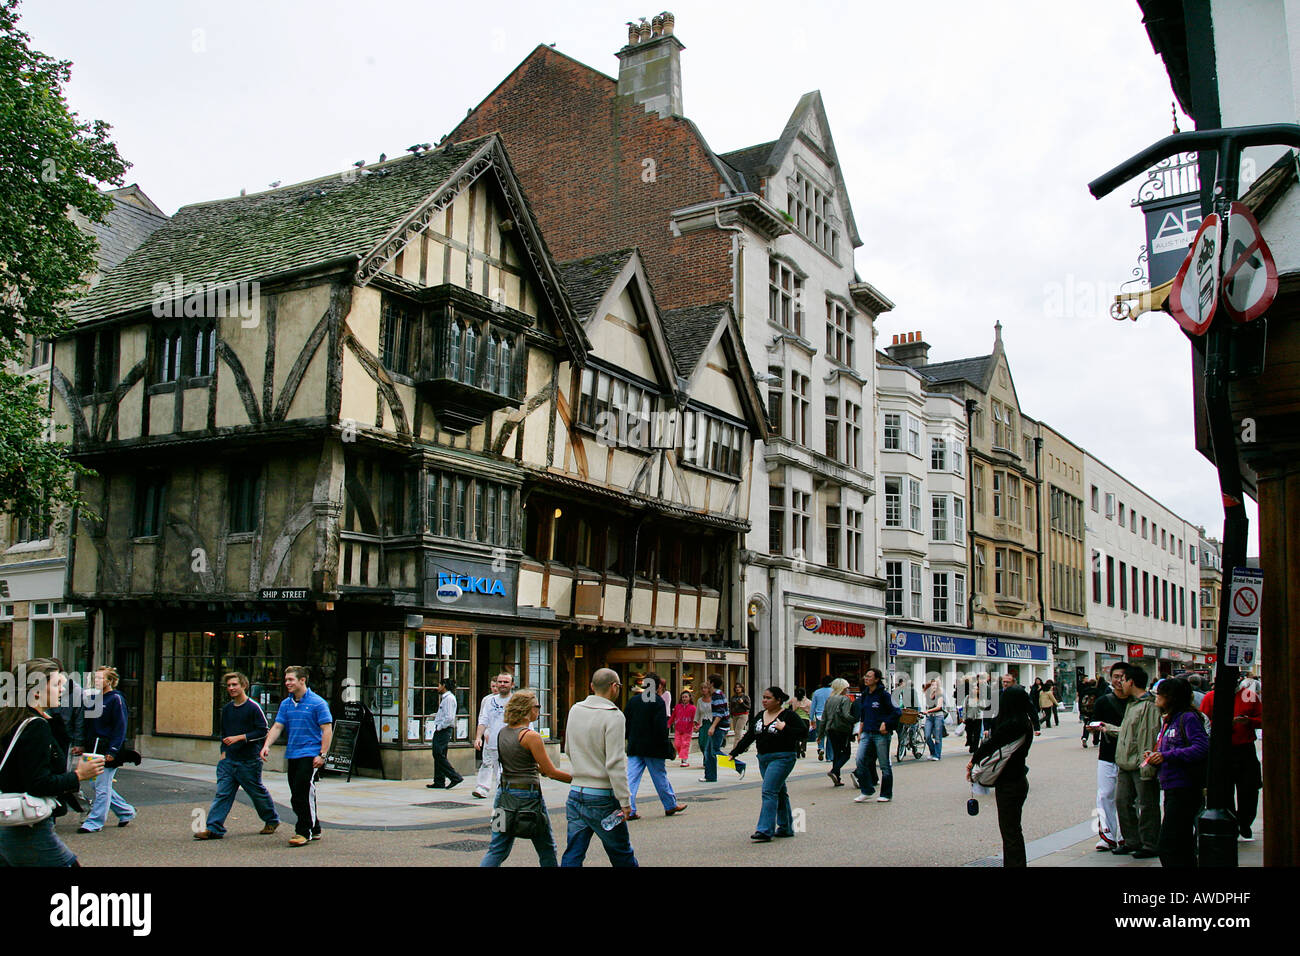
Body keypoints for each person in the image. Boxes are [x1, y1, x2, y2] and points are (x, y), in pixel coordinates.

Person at [0, 658, 105, 866]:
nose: (63, 688)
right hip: (29, 826)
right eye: (57, 684)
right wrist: (79, 775)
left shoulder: (10, 718)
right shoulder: (35, 726)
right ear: (37, 691)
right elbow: (39, 783)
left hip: (7, 823)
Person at [480, 689, 570, 867]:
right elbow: (550, 771)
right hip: (527, 797)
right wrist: (577, 779)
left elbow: (515, 761)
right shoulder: (531, 736)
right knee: (546, 846)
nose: (539, 709)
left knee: (497, 848)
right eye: (537, 706)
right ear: (527, 709)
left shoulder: (502, 733)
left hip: (502, 797)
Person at [561, 668, 637, 867]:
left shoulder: (575, 710)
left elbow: (568, 748)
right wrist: (625, 800)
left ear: (592, 687)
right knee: (621, 853)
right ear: (614, 687)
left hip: (576, 791)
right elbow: (616, 762)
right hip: (603, 795)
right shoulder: (614, 716)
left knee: (574, 852)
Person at [194, 671, 279, 840]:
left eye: (235, 685)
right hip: (229, 761)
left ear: (244, 686)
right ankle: (214, 828)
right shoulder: (227, 709)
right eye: (229, 685)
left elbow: (263, 731)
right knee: (223, 794)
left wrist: (241, 738)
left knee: (256, 792)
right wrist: (223, 754)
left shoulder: (253, 707)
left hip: (249, 761)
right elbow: (224, 734)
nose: (231, 688)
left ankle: (271, 819)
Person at [260, 665, 333, 847]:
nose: (287, 683)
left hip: (310, 754)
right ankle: (315, 828)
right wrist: (267, 745)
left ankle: (303, 831)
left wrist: (322, 755)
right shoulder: (286, 704)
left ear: (302, 680)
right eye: (286, 680)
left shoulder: (318, 703)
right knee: (298, 793)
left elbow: (327, 729)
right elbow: (278, 726)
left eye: (291, 679)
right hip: (293, 753)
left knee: (301, 793)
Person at [967, 684, 1036, 867]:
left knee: (1010, 831)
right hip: (1019, 779)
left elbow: (990, 745)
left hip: (1009, 783)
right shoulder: (1024, 722)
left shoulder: (1011, 724)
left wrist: (973, 761)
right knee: (1013, 830)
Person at [1146, 676, 1209, 868]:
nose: (1156, 698)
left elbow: (1201, 747)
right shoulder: (1169, 720)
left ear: (1170, 697)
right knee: (1181, 843)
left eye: (1160, 694)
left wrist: (1167, 756)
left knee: (1169, 845)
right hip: (1172, 786)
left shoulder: (1188, 718)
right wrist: (1156, 756)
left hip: (1186, 787)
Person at [728, 687, 805, 841]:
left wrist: (785, 728)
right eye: (763, 697)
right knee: (779, 791)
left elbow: (803, 733)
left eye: (768, 698)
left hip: (783, 758)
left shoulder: (788, 716)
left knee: (769, 791)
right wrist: (734, 752)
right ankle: (785, 827)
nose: (764, 700)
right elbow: (749, 736)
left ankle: (764, 830)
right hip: (764, 759)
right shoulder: (759, 716)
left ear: (778, 700)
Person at [1199, 676, 1263, 841]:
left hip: (1245, 749)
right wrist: (1223, 724)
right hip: (1222, 749)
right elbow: (1203, 722)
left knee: (1249, 789)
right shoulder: (1210, 697)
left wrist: (1249, 721)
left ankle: (1245, 823)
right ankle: (1231, 823)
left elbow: (1262, 719)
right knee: (1224, 790)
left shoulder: (1248, 695)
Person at [79, 665, 136, 834]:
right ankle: (126, 811)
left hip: (106, 748)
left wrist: (112, 750)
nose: (96, 681)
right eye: (95, 678)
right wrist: (82, 744)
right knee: (97, 784)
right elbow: (88, 724)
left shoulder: (116, 699)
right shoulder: (94, 699)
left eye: (100, 678)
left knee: (102, 786)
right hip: (92, 747)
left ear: (110, 681)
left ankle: (95, 822)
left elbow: (121, 726)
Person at [1111, 664, 1161, 858]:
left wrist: (1147, 766)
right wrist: (1107, 728)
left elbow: (1147, 736)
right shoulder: (1132, 704)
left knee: (1147, 804)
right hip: (1125, 763)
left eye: (1122, 680)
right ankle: (1131, 840)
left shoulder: (1148, 705)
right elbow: (1128, 732)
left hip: (1141, 764)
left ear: (1131, 681)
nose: (1119, 683)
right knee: (1122, 802)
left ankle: (1150, 843)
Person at [624, 674, 686, 819]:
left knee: (631, 777)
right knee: (659, 776)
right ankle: (670, 805)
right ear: (658, 686)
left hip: (635, 745)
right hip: (653, 747)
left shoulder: (633, 700)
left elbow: (625, 722)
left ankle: (629, 808)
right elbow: (660, 727)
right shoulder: (658, 702)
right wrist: (667, 747)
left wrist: (628, 738)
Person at [1091, 662, 1128, 850]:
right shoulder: (1103, 701)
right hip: (1107, 754)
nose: (1119, 680)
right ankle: (1107, 835)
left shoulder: (1135, 702)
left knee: (1127, 797)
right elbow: (1095, 722)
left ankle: (1125, 835)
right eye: (1116, 676)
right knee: (1105, 794)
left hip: (1129, 755)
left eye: (1122, 676)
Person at [852, 668, 900, 803]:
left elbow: (897, 712)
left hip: (880, 734)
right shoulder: (865, 695)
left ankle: (886, 793)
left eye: (869, 676)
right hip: (867, 732)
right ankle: (866, 790)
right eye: (865, 676)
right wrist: (860, 730)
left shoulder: (884, 695)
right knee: (860, 760)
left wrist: (886, 723)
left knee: (884, 764)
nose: (865, 678)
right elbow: (863, 714)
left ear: (876, 679)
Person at [472, 672, 513, 799]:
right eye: (499, 682)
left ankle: (503, 792)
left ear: (512, 684)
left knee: (504, 769)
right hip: (492, 740)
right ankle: (482, 788)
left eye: (505, 682)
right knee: (487, 763)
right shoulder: (489, 701)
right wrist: (479, 736)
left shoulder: (516, 701)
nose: (501, 685)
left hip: (510, 742)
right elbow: (483, 719)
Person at [426, 676, 464, 790]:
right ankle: (439, 780)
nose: (437, 687)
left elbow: (449, 717)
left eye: (439, 685)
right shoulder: (446, 698)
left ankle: (454, 777)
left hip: (444, 730)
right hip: (442, 729)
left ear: (444, 686)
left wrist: (440, 727)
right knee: (439, 754)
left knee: (437, 754)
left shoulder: (449, 699)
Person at [697, 675, 730, 783]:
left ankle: (736, 764)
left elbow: (719, 713)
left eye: (708, 682)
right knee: (709, 751)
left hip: (719, 726)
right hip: (720, 726)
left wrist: (712, 727)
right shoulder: (719, 694)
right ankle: (710, 776)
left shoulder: (717, 695)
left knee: (713, 751)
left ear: (711, 683)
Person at [822, 678, 854, 785]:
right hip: (842, 729)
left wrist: (820, 733)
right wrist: (854, 720)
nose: (848, 690)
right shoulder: (845, 699)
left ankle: (837, 777)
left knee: (836, 753)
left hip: (830, 728)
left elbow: (824, 717)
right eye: (846, 688)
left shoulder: (829, 699)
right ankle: (834, 770)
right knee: (846, 753)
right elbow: (846, 715)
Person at [893, 677, 918, 760]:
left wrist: (915, 712)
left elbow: (915, 704)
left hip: (911, 712)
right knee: (900, 731)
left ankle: (914, 746)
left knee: (912, 730)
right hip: (901, 714)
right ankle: (902, 748)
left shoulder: (912, 692)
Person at [921, 677, 946, 761]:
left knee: (937, 737)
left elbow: (939, 707)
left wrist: (927, 711)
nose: (934, 686)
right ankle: (933, 752)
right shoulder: (928, 694)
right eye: (932, 685)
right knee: (927, 736)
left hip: (938, 716)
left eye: (935, 685)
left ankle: (937, 755)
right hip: (929, 717)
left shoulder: (940, 694)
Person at [810, 676, 833, 760]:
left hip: (819, 716)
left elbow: (813, 706)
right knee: (830, 737)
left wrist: (811, 718)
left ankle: (821, 748)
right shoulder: (833, 692)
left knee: (820, 734)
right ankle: (829, 757)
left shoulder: (816, 692)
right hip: (830, 716)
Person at [671, 691, 696, 766]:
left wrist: (696, 725)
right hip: (678, 729)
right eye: (683, 697)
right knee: (677, 744)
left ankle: (684, 760)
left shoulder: (693, 708)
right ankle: (682, 755)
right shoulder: (677, 707)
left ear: (689, 698)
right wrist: (669, 723)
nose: (684, 698)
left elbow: (695, 718)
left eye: (686, 697)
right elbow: (673, 716)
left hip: (688, 729)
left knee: (685, 744)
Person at [790, 687, 812, 758]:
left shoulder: (793, 700)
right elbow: (811, 712)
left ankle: (798, 750)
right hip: (805, 720)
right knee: (805, 736)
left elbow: (786, 706)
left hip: (795, 720)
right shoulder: (808, 702)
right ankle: (803, 747)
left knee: (796, 736)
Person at [1078, 677, 1100, 748]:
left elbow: (1080, 700)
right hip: (1095, 711)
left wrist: (1081, 710)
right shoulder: (1097, 691)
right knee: (1096, 725)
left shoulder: (1084, 691)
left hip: (1086, 710)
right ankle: (1095, 741)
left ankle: (1084, 737)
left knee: (1086, 724)